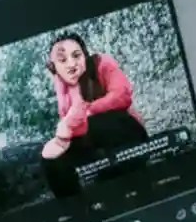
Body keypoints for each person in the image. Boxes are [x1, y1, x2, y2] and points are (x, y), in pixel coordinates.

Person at [41, 33, 149, 198]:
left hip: (127, 133)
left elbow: (122, 95)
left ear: (85, 54)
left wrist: (88, 110)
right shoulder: (62, 85)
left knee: (93, 123)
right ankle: (75, 208)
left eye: (76, 56)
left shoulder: (102, 63)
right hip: (95, 146)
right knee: (51, 159)